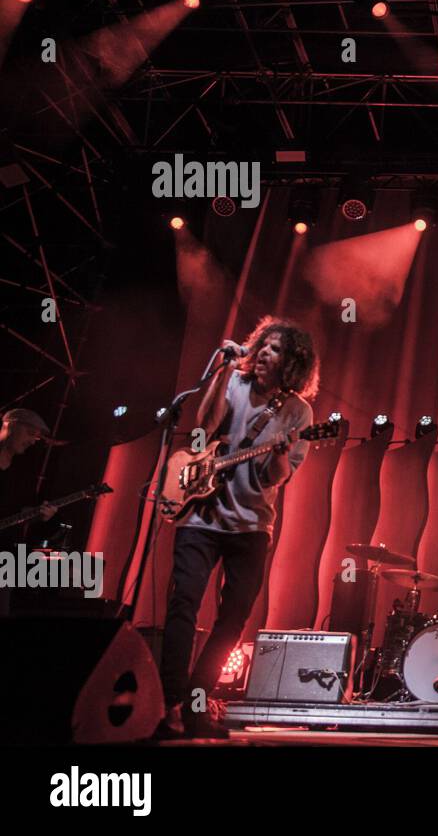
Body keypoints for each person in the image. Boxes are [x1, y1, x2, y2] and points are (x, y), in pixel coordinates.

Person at [155, 316, 318, 739]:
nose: (264, 353)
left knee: (234, 618)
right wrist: (224, 370)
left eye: (276, 349)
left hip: (251, 527)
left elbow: (274, 479)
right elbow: (202, 431)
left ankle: (197, 699)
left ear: (293, 363)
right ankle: (170, 701)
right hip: (200, 516)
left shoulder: (299, 412)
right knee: (183, 605)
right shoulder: (234, 384)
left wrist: (279, 453)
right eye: (263, 345)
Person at [0, 409, 63, 617]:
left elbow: (27, 514)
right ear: (10, 425)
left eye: (36, 437)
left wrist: (45, 517)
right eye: (30, 432)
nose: (34, 440)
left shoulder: (24, 474)